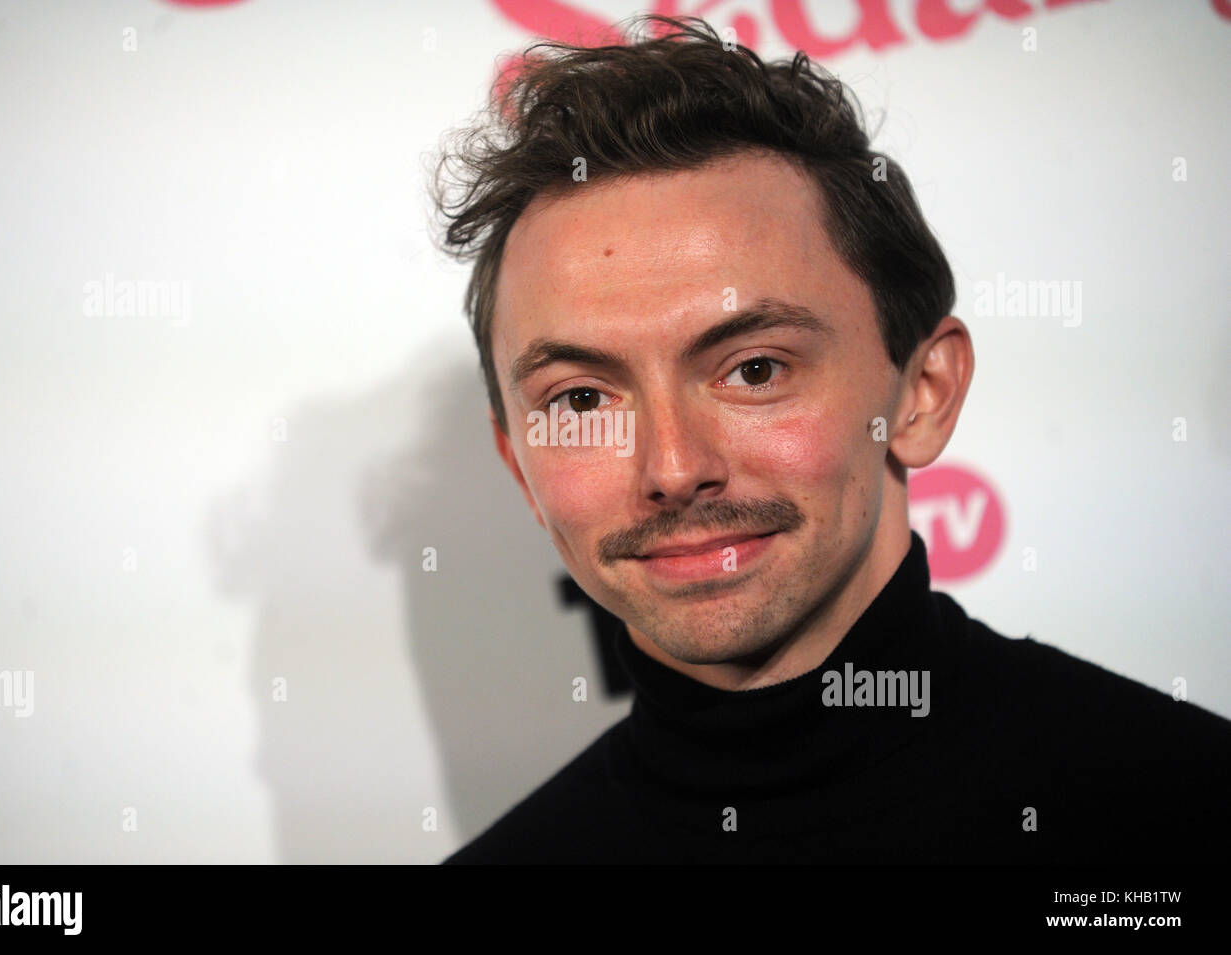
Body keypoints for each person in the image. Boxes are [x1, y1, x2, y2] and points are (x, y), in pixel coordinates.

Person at [430, 15, 1231, 863]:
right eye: (584, 398)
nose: (674, 467)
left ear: (922, 394)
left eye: (754, 370)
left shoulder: (1188, 807)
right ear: (518, 464)